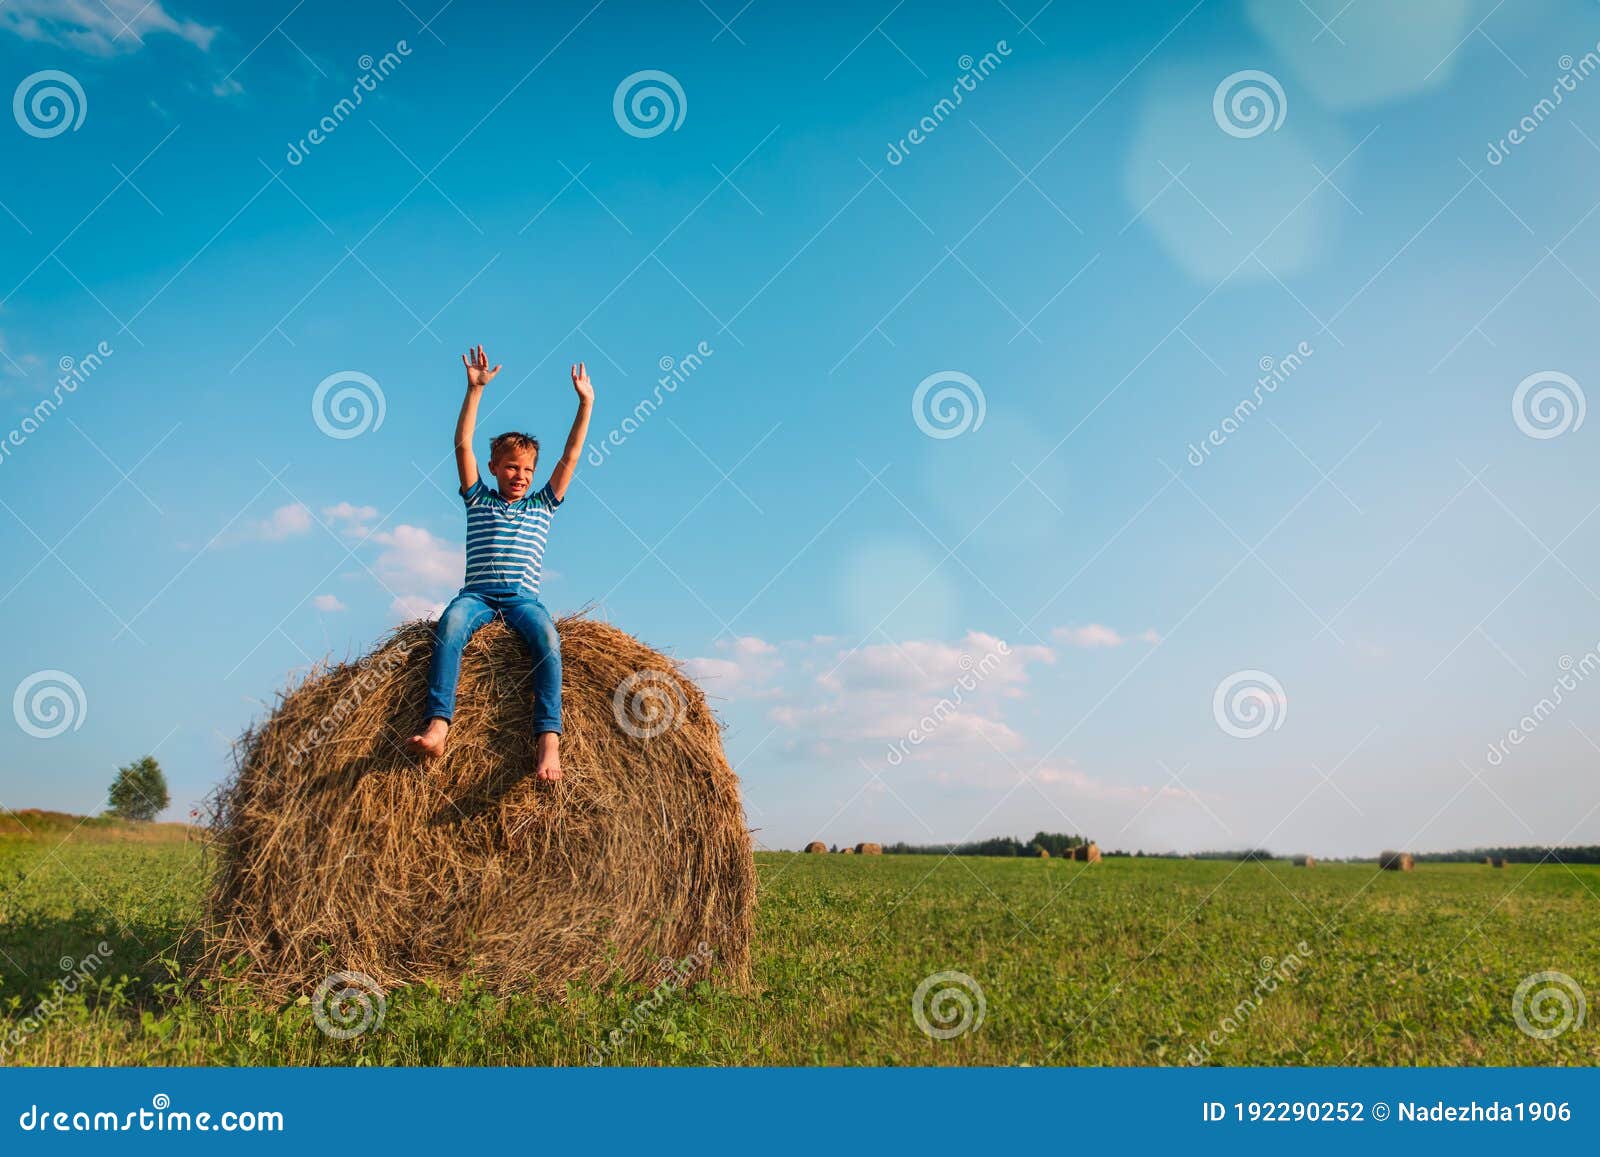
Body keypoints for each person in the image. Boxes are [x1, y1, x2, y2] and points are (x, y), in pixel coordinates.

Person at [407, 345, 594, 782]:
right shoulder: (478, 500)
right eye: (511, 467)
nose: (521, 476)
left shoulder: (542, 506)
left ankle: (549, 740)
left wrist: (585, 404)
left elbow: (570, 458)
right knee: (449, 628)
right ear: (494, 468)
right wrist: (474, 391)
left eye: (527, 469)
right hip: (476, 596)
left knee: (548, 639)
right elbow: (462, 444)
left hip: (522, 600)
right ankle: (439, 725)